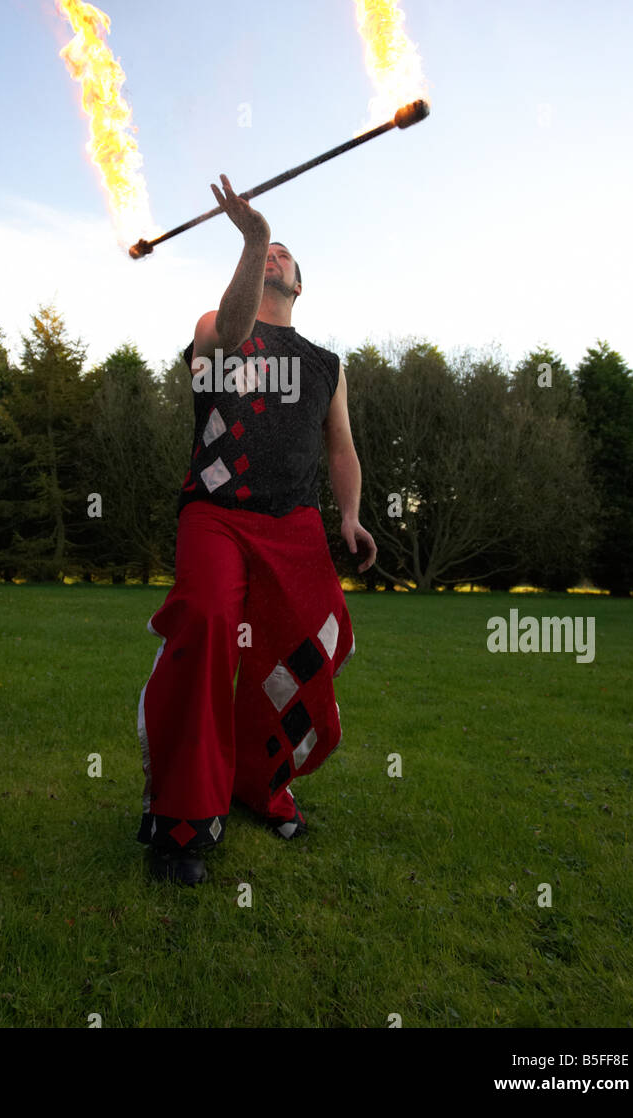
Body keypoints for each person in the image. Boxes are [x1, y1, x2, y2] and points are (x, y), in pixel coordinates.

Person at [136, 173, 377, 884]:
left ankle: (256, 785)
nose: (275, 258)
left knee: (303, 652)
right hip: (216, 512)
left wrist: (351, 515)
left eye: (281, 254)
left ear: (301, 280)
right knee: (208, 625)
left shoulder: (327, 365)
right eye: (266, 253)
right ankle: (180, 822)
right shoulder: (218, 327)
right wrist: (251, 239)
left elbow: (341, 448)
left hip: (295, 523)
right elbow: (235, 330)